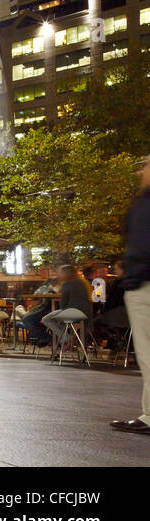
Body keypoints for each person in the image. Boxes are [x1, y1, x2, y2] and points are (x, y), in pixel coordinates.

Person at [112, 158, 150, 435]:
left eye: (146, 165)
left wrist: (130, 273)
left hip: (144, 284)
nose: (141, 170)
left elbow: (141, 245)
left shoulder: (145, 203)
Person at [41, 264, 93, 359]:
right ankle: (69, 339)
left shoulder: (67, 284)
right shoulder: (85, 282)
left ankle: (67, 339)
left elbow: (63, 305)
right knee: (60, 321)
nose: (58, 275)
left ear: (65, 274)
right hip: (86, 313)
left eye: (60, 273)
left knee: (46, 319)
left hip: (72, 312)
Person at [93, 261, 128, 348]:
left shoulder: (115, 282)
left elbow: (109, 300)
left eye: (116, 270)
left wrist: (102, 310)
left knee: (96, 321)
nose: (107, 273)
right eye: (104, 271)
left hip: (120, 314)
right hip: (132, 314)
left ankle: (114, 339)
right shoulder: (133, 281)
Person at [18, 277, 57, 344]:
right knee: (29, 319)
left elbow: (35, 296)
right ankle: (44, 338)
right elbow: (35, 296)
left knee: (27, 319)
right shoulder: (45, 288)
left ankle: (45, 338)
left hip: (51, 309)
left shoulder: (48, 287)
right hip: (51, 309)